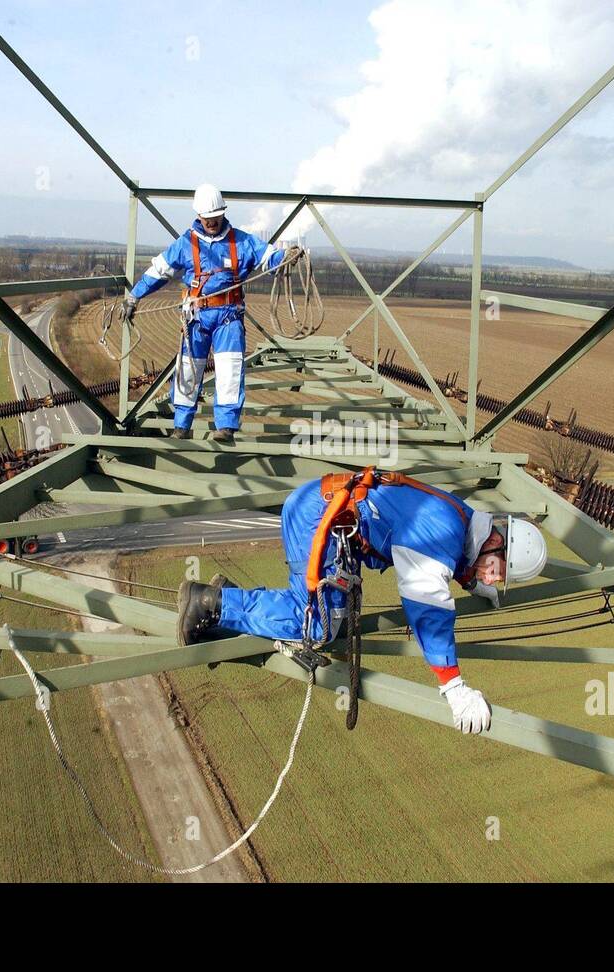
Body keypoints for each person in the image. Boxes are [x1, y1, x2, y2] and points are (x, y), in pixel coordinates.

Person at [176, 468, 549, 734]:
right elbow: (428, 608)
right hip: (321, 519)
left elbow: (460, 555)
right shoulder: (442, 531)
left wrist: (471, 580)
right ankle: (210, 603)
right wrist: (454, 687)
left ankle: (228, 600)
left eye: (498, 579)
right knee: (318, 626)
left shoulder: (465, 521)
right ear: (497, 540)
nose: (491, 578)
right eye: (495, 569)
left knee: (320, 616)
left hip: (328, 510)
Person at [122, 184, 301, 442]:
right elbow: (158, 271)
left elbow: (268, 257)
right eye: (208, 218)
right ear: (199, 216)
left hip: (228, 318)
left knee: (229, 370)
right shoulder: (186, 244)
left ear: (222, 214)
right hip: (195, 318)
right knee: (188, 371)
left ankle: (225, 427)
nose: (212, 222)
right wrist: (134, 296)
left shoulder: (242, 242)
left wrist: (286, 256)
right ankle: (181, 426)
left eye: (216, 216)